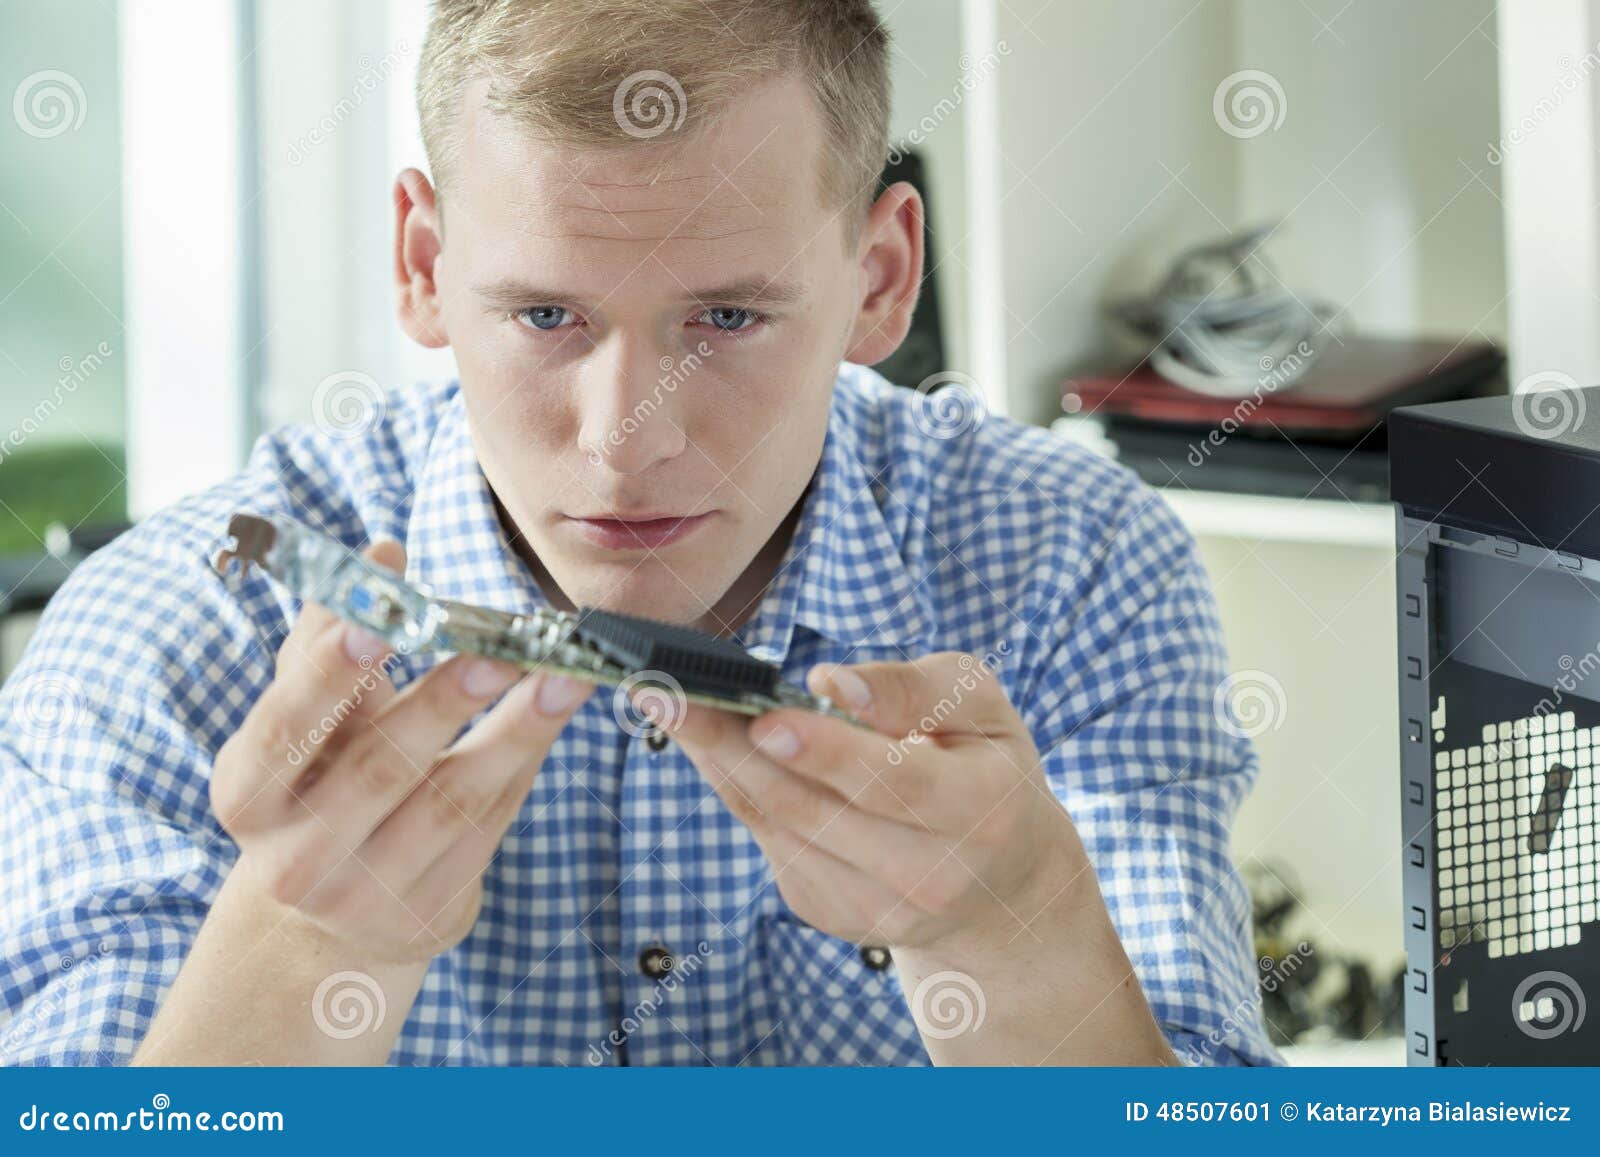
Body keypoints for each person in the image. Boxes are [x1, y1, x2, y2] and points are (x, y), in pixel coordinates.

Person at [0, 0, 1278, 1066]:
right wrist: (297, 948)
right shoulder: (166, 636)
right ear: (423, 262)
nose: (626, 438)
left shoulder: (1077, 569)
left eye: (724, 318)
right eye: (545, 314)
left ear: (881, 278)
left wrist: (1024, 935)